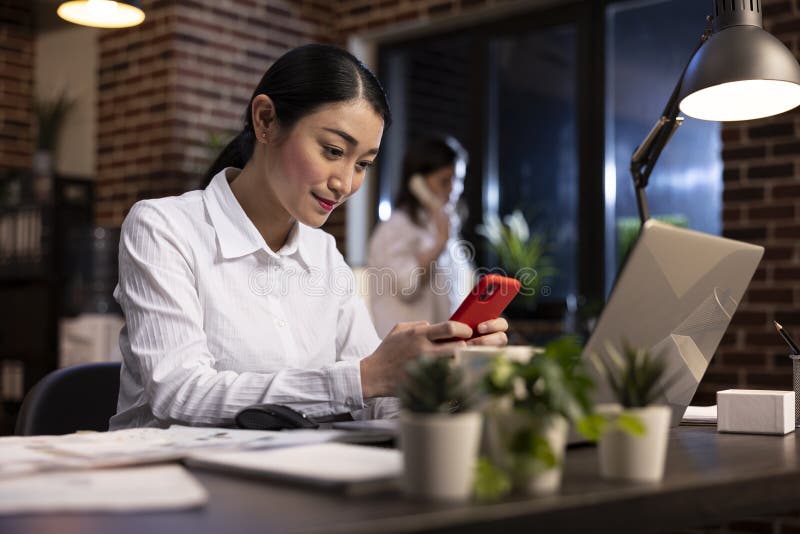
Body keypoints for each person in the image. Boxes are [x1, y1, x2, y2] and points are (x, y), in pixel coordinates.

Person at [110, 44, 508, 429]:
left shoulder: (323, 253)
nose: (346, 183)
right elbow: (180, 393)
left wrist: (446, 374)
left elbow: (379, 403)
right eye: (333, 150)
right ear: (265, 121)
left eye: (363, 164)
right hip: (172, 482)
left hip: (288, 478)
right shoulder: (163, 228)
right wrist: (364, 378)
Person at [367, 135, 475, 338]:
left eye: (458, 180)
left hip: (441, 351)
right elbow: (408, 287)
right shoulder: (395, 228)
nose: (454, 190)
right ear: (417, 183)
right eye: (445, 181)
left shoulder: (444, 230)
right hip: (404, 354)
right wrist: (439, 245)